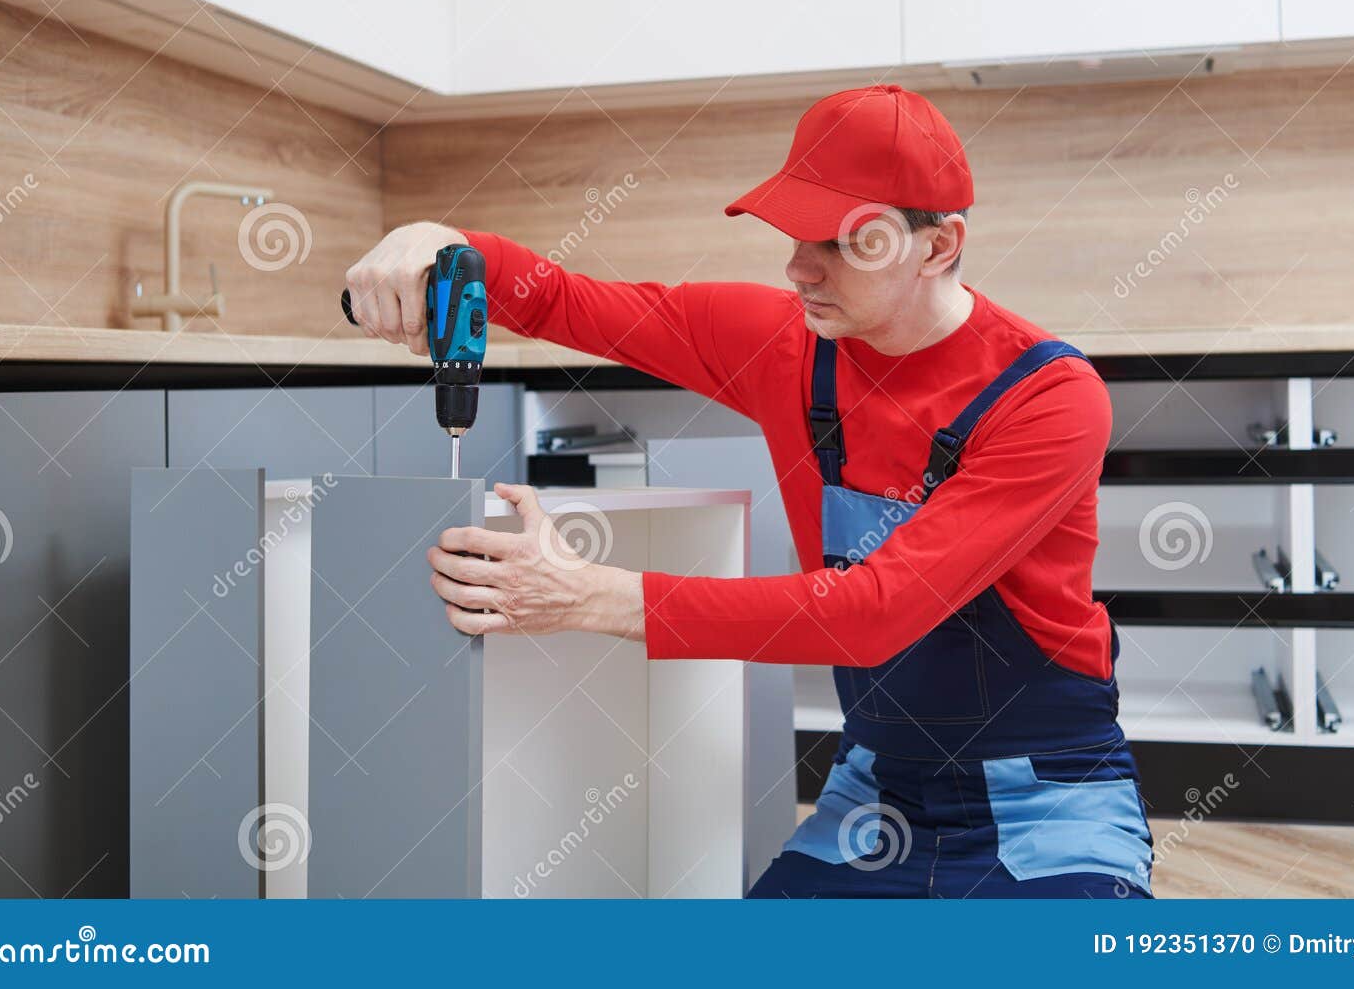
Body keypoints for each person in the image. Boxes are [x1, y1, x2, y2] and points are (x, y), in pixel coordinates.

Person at [343, 84, 1154, 899]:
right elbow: (560, 300)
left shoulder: (1048, 398)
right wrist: (439, 238)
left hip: (1051, 799)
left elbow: (874, 613)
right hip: (876, 793)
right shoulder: (784, 346)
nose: (799, 267)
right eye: (795, 234)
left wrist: (587, 595)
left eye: (842, 241)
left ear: (939, 246)